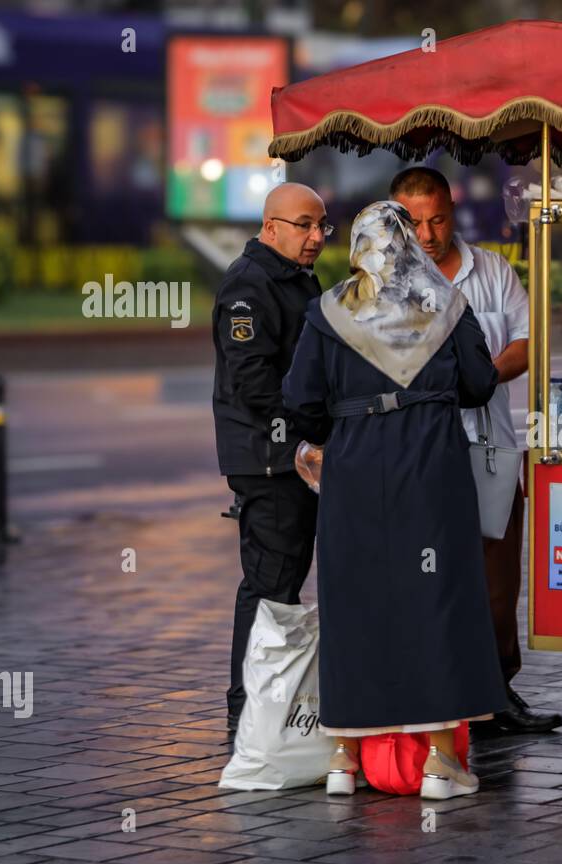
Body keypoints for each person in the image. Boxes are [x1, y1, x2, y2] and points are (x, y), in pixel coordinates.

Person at [282, 200, 509, 799]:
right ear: (409, 242)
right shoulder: (446, 306)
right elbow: (481, 384)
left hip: (354, 470)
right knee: (436, 599)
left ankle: (343, 759)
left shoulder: (328, 313)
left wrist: (345, 420)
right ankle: (439, 761)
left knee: (353, 602)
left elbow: (300, 400)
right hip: (430, 467)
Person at [390, 167, 562, 737]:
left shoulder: (490, 271)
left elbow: (529, 339)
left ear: (452, 210)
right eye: (413, 222)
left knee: (495, 576)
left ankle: (496, 691)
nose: (427, 232)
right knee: (427, 572)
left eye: (436, 218)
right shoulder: (385, 282)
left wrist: (482, 375)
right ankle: (432, 693)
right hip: (418, 454)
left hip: (489, 446)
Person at [212, 182, 328, 739]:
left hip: (293, 461)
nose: (316, 237)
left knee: (283, 585)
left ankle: (266, 708)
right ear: (271, 226)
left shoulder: (295, 279)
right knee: (269, 586)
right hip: (271, 462)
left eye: (322, 226)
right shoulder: (248, 285)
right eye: (304, 225)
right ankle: (246, 715)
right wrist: (300, 445)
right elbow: (254, 382)